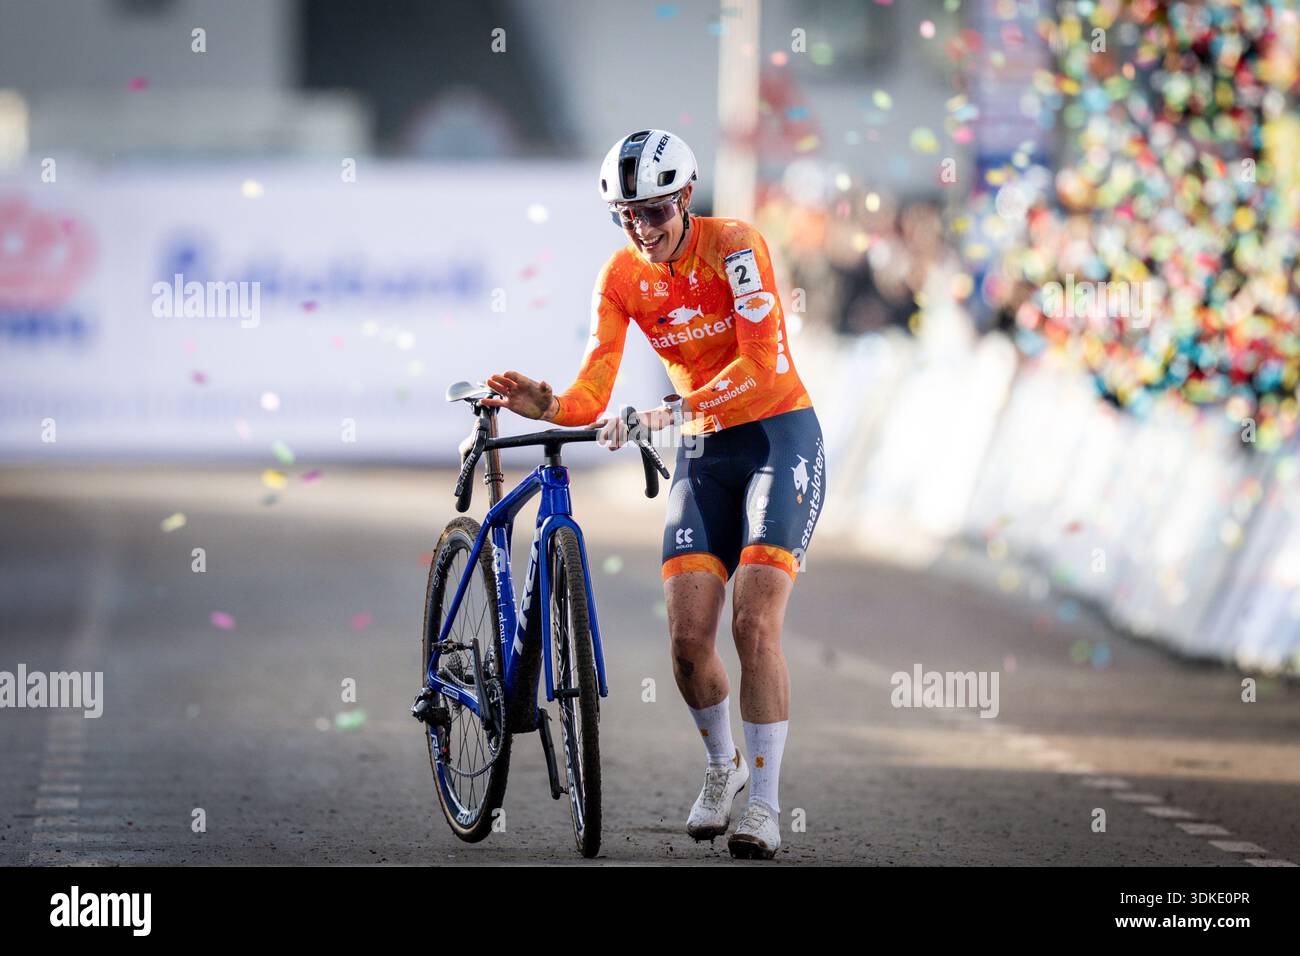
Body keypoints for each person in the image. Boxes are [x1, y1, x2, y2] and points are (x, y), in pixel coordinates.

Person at [482, 129, 825, 859]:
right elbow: (592, 393)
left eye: (654, 212)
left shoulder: (735, 245)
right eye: (627, 215)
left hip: (776, 436)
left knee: (754, 624)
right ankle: (720, 766)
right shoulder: (621, 276)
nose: (643, 228)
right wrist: (546, 403)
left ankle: (762, 806)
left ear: (685, 199)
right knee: (686, 642)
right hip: (704, 450)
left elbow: (763, 369)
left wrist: (672, 411)